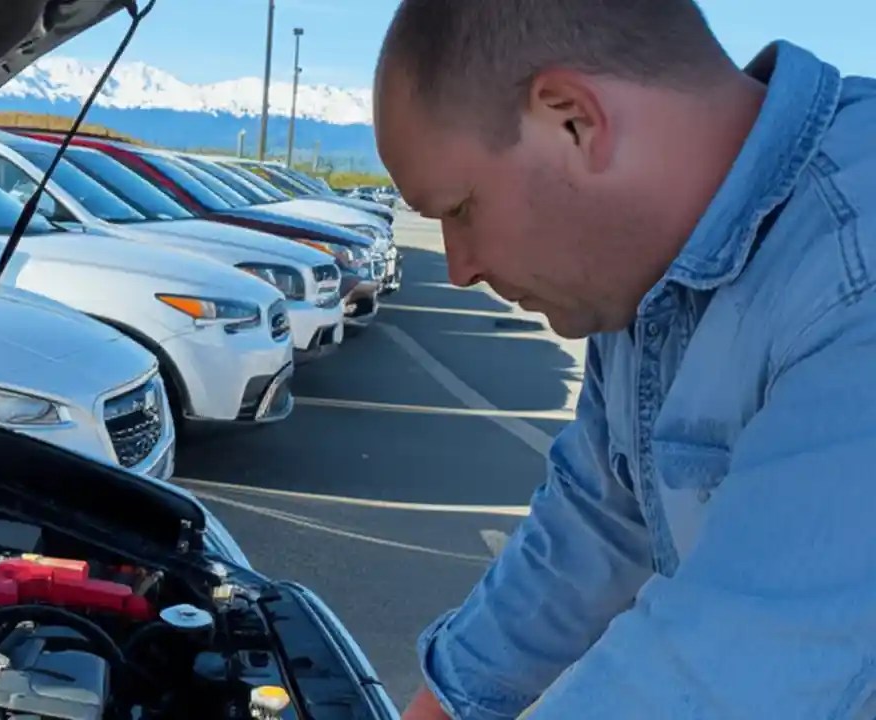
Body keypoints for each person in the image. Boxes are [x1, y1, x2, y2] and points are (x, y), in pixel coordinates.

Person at [372, 1, 876, 718]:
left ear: (573, 119)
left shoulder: (856, 273)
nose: (458, 269)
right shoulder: (644, 277)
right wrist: (444, 705)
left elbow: (723, 675)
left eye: (460, 210)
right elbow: (598, 522)